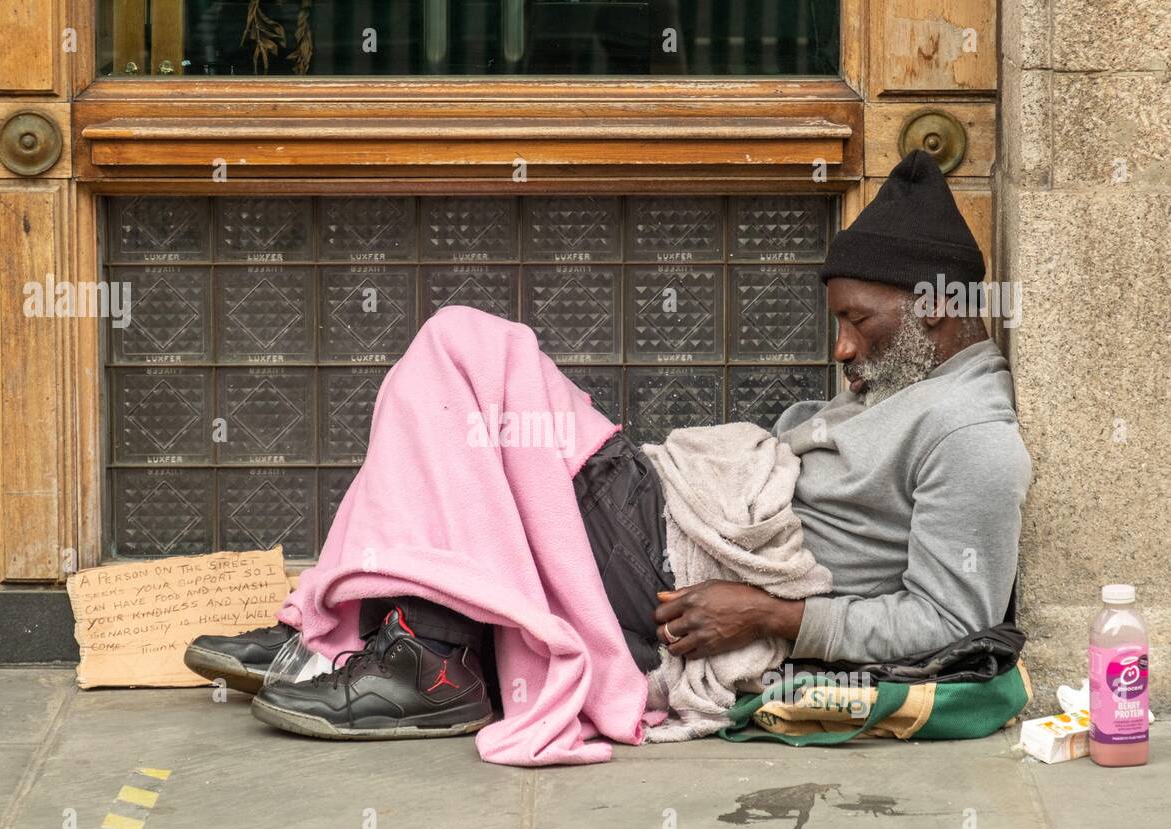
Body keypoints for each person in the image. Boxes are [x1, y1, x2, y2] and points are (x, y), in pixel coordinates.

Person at [184, 149, 1031, 739]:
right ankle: (370, 640)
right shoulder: (909, 386)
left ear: (935, 305)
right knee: (466, 409)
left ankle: (425, 667)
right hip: (669, 513)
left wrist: (777, 616)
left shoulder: (972, 438)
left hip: (681, 566)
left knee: (465, 348)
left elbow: (952, 623)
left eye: (858, 321)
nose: (842, 347)